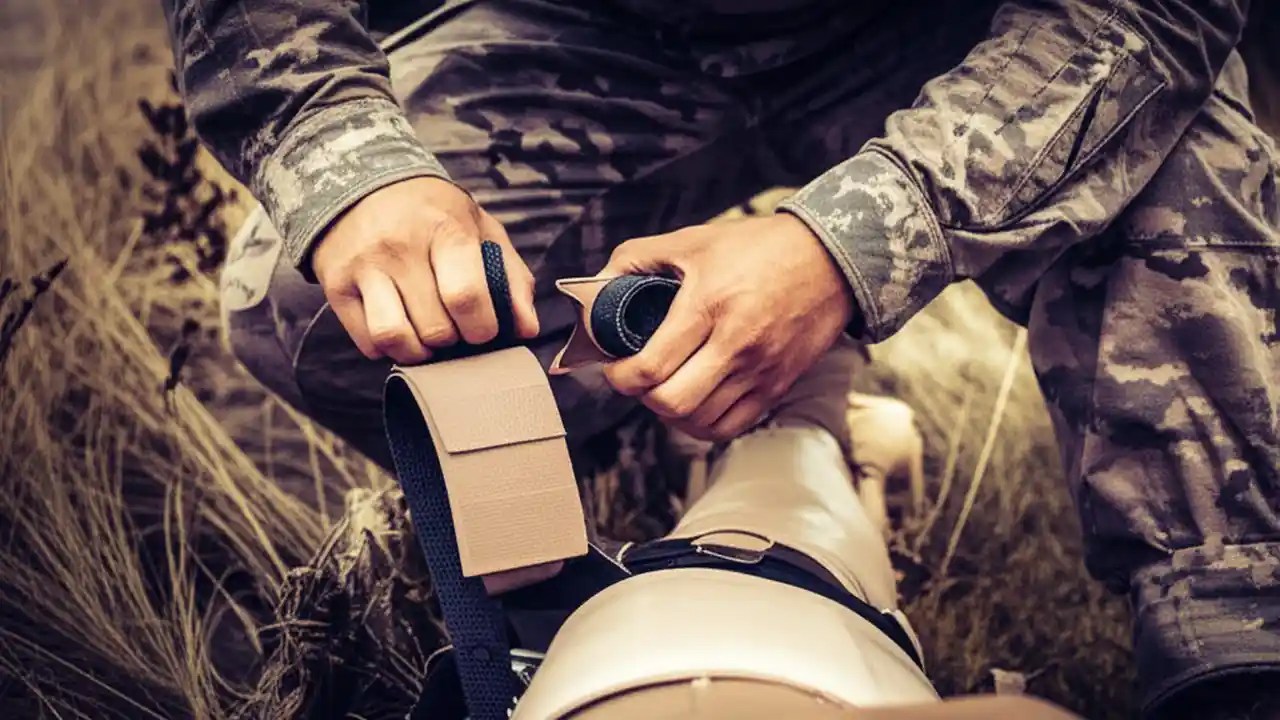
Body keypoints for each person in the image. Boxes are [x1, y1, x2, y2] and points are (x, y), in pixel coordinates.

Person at [162, 1, 1280, 717]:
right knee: (309, 302)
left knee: (1179, 160)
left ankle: (1230, 640)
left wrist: (846, 249)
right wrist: (346, 161)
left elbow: (1161, 13)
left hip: (958, 31)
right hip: (601, 31)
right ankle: (684, 389)